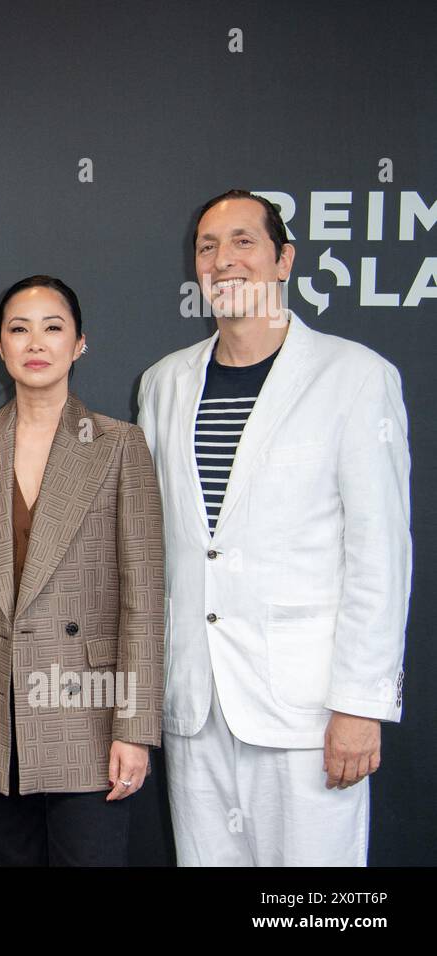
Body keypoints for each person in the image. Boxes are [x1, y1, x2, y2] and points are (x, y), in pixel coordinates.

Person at [138, 189, 411, 866]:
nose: (223, 260)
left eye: (242, 242)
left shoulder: (355, 377)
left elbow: (380, 554)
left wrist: (359, 703)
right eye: (207, 246)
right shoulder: (164, 384)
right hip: (196, 702)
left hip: (309, 708)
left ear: (284, 258)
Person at [0, 275, 165, 866]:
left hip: (88, 718)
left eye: (54, 328)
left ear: (79, 344)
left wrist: (136, 727)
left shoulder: (119, 445)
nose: (36, 342)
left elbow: (145, 598)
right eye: (19, 329)